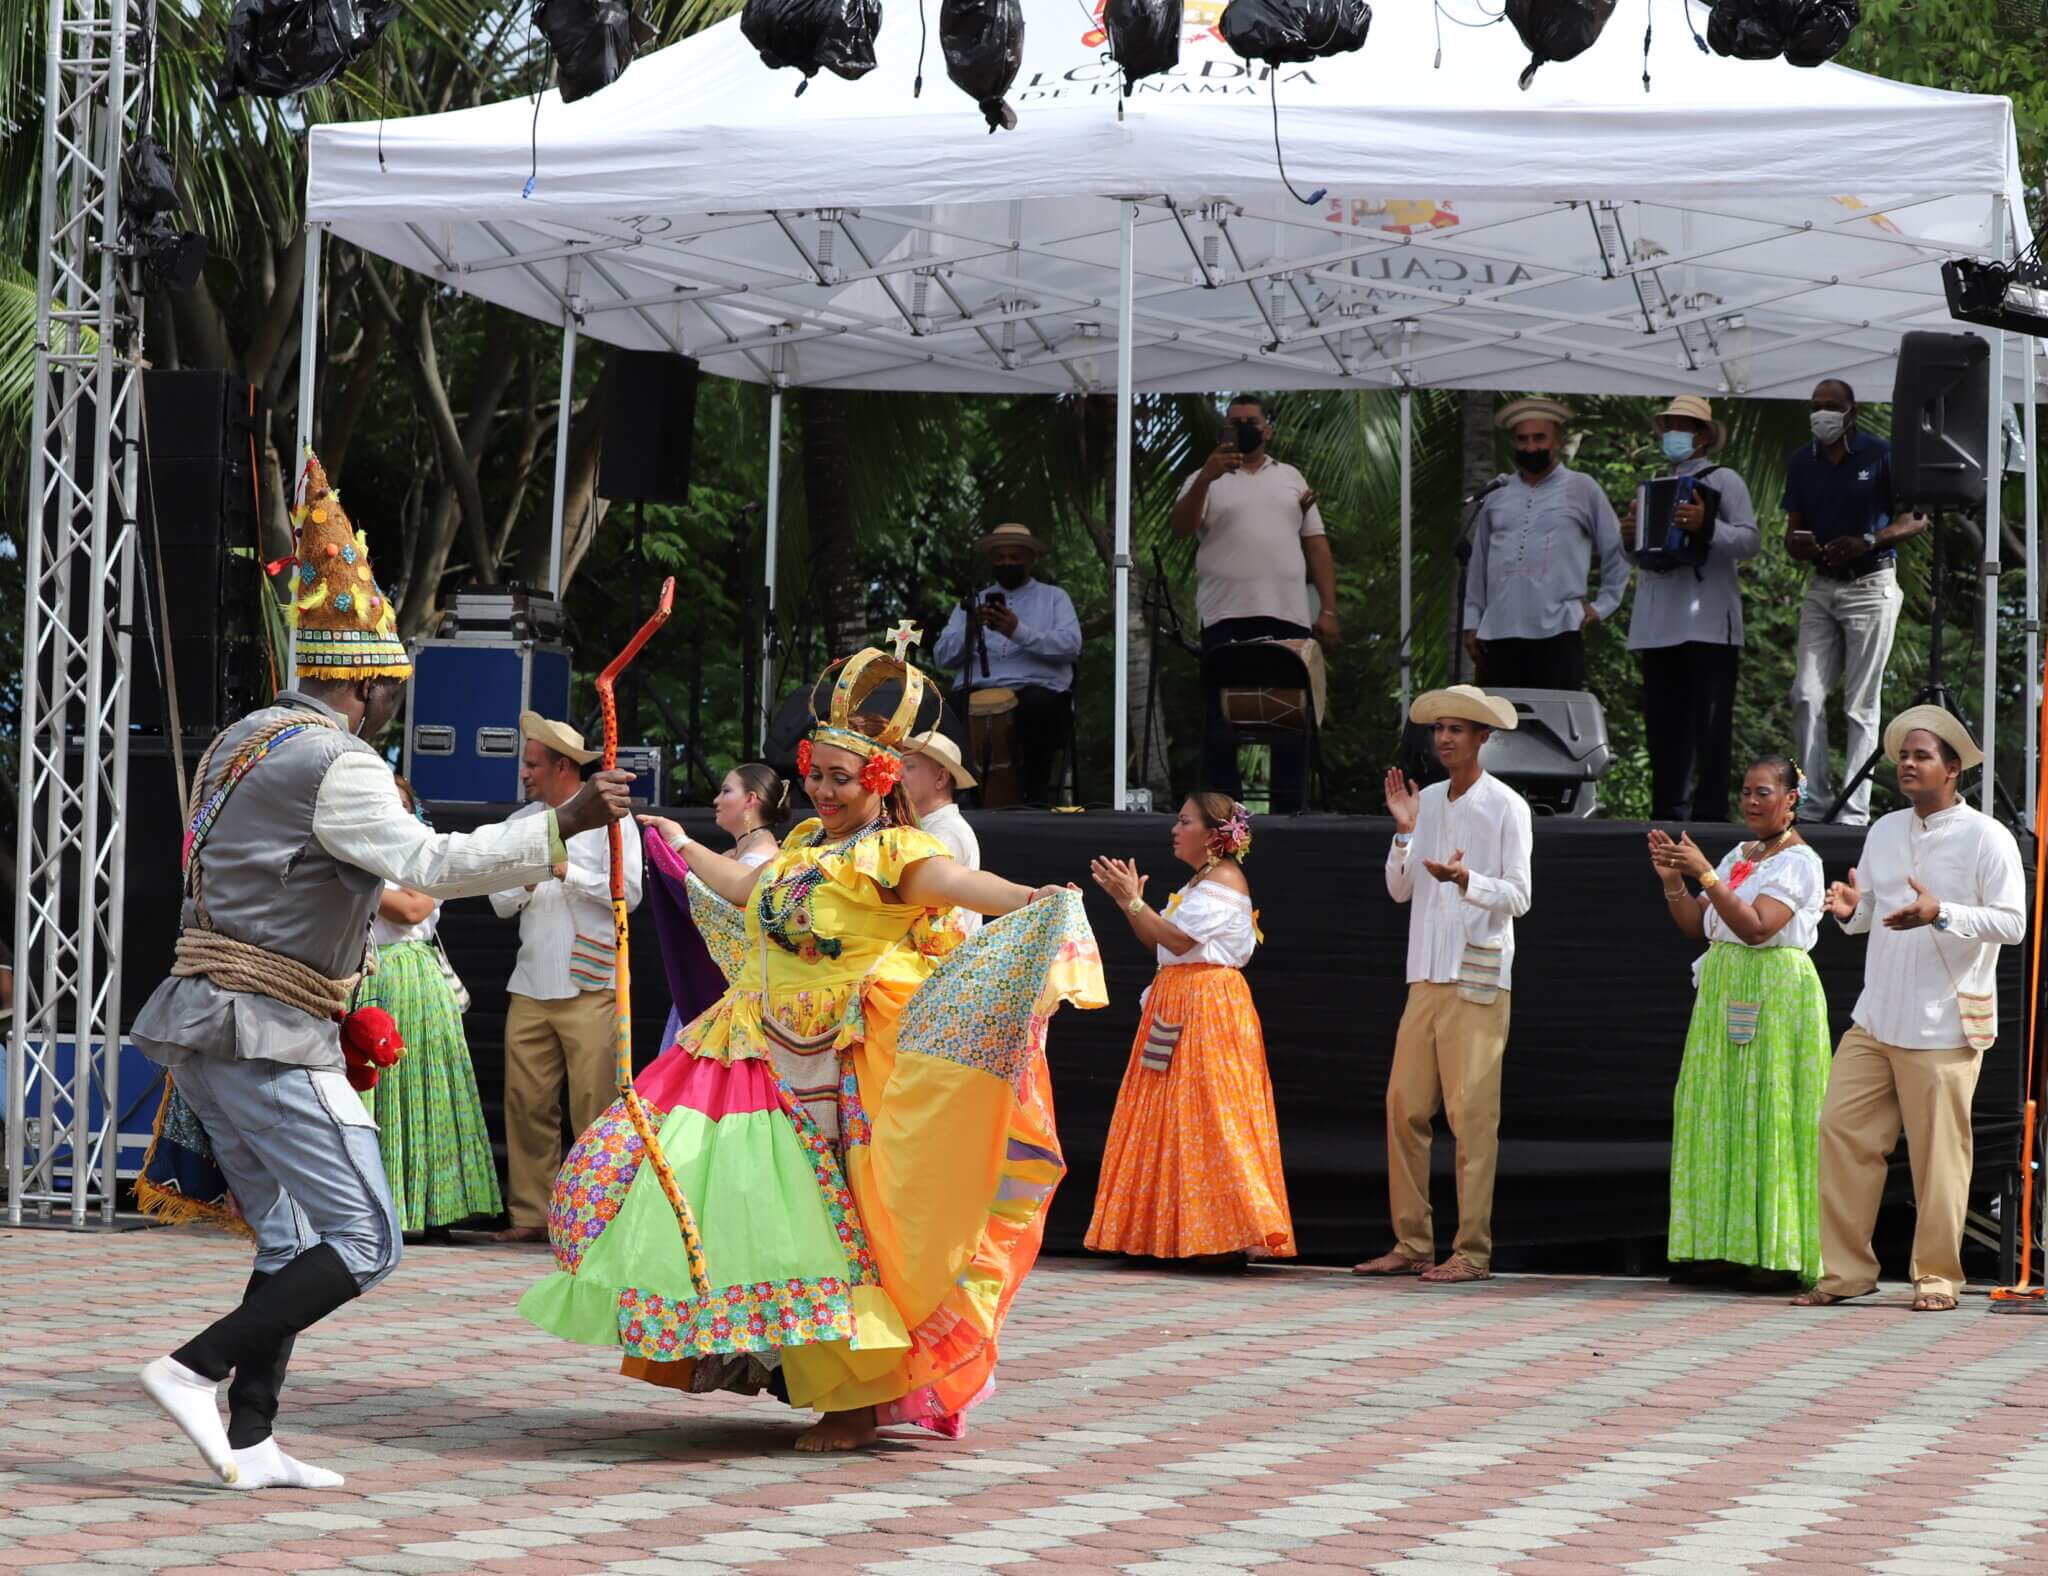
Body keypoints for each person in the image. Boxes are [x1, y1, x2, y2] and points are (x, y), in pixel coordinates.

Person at [129, 453, 632, 1489]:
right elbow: (428, 867)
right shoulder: (334, 757)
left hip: (212, 1022)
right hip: (270, 1026)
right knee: (366, 1239)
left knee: (293, 1235)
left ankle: (252, 1437)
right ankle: (195, 1368)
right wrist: (564, 821)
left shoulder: (242, 738)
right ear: (368, 684)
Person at [518, 647, 1105, 1452]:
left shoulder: (891, 855)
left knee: (841, 1228)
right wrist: (671, 842)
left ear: (881, 781)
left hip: (846, 1063)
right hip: (757, 1048)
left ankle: (857, 1399)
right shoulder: (799, 850)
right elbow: (741, 891)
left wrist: (1030, 899)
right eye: (816, 773)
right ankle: (775, 1358)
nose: (825, 791)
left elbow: (960, 888)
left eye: (841, 777)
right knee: (706, 1188)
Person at [1797, 706, 2025, 1313]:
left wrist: (1942, 911)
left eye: (1921, 755)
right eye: (1903, 755)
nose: (1907, 763)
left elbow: (2014, 923)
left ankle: (1937, 1278)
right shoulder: (1884, 831)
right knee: (1841, 1133)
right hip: (1876, 1017)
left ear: (1953, 769)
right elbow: (1872, 911)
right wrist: (1850, 907)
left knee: (1937, 1156)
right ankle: (1846, 1273)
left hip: (1945, 1020)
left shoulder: (1988, 837)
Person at [1355, 685, 1532, 1285]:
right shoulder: (1426, 800)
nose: (1446, 738)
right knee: (1404, 1107)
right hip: (1426, 974)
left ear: (1484, 737)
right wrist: (1404, 831)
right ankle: (1412, 1241)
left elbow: (1520, 895)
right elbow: (1399, 889)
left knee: (1471, 1115)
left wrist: (1467, 879)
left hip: (1478, 971)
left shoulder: (1507, 805)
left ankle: (1472, 1250)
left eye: (1459, 729)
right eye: (1440, 730)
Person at [1084, 794, 1293, 1267]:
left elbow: (1178, 939)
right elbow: (1158, 941)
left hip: (1207, 1005)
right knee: (1169, 1113)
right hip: (1177, 1001)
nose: (1174, 830)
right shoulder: (1200, 882)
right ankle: (1173, 1233)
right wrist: (1127, 903)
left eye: (1184, 821)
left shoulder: (1224, 879)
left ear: (1213, 832)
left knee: (1210, 1113)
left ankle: (1223, 1235)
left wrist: (1135, 900)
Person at [1648, 757, 1831, 1289]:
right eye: (1746, 792)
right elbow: (1695, 924)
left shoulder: (1800, 862)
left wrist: (1703, 872)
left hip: (1774, 991)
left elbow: (1756, 928)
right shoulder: (1742, 855)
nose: (1752, 802)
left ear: (1791, 799)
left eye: (1764, 793)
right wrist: (1673, 881)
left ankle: (1773, 1252)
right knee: (1720, 1108)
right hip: (1724, 988)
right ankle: (1719, 1245)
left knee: (1767, 1110)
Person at [487, 711, 645, 1245]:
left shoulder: (613, 820)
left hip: (592, 984)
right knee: (526, 1104)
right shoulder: (521, 823)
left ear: (561, 766)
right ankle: (532, 1215)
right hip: (531, 983)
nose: (524, 774)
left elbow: (633, 892)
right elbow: (499, 899)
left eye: (532, 764)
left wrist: (566, 871)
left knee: (594, 1105)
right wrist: (530, 875)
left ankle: (597, 1219)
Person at [1171, 394, 1338, 814]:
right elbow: (1180, 527)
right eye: (1235, 421)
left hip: (1287, 615)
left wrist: (1330, 610)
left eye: (1251, 421)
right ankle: (1226, 814)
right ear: (1225, 428)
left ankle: (1290, 810)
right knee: (1220, 719)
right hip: (1224, 615)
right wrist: (1207, 476)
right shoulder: (1204, 477)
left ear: (1267, 429)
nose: (1243, 427)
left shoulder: (1292, 478)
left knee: (1292, 716)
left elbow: (1316, 546)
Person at [358, 774, 504, 1243]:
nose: (391, 811)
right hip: (362, 978)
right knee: (369, 1096)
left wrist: (354, 879)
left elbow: (414, 909)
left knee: (428, 1090)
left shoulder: (426, 848)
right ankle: (372, 1207)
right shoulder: (358, 847)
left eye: (399, 802)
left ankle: (435, 1208)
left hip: (413, 982)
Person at [1785, 378, 1930, 825]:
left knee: (1859, 704)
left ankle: (1852, 811)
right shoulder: (1801, 461)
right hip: (1822, 586)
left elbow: (1916, 520)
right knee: (1805, 695)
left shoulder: (1880, 453)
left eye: (1831, 406)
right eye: (1815, 406)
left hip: (1871, 585)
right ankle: (1815, 802)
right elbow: (1792, 532)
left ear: (1851, 411)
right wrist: (1803, 545)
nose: (1821, 414)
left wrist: (1867, 539)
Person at [1621, 397, 1762, 822]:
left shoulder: (1726, 480)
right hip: (1658, 626)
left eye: (1682, 427)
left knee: (1710, 731)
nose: (1672, 435)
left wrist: (1706, 526)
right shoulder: (1654, 485)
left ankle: (1711, 818)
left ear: (1703, 436)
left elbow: (1749, 541)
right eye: (1668, 427)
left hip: (1708, 626)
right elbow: (1639, 554)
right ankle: (1666, 817)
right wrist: (1628, 536)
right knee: (1664, 732)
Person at [1464, 397, 1628, 692]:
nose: (1530, 447)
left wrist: (1602, 606)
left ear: (1557, 441)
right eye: (1522, 439)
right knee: (1498, 732)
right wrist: (1472, 622)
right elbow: (1479, 565)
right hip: (1498, 632)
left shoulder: (1583, 487)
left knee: (1554, 731)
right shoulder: (1497, 493)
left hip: (1559, 632)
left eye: (1539, 438)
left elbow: (1617, 549)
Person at [932, 523, 1082, 805]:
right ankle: (965, 800)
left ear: (1030, 559)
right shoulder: (972, 603)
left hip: (1036, 691)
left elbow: (1071, 645)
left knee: (1038, 707)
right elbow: (942, 657)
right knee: (946, 707)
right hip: (978, 690)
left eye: (1014, 557)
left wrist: (1017, 630)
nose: (1007, 563)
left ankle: (1033, 801)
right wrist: (972, 628)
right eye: (1000, 557)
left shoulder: (1054, 598)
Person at [901, 730, 982, 937]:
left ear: (941, 777)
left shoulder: (946, 832)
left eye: (910, 767)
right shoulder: (931, 827)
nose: (899, 775)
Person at [714, 761, 791, 869]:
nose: (716, 800)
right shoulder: (735, 853)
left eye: (726, 791)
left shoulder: (758, 859)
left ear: (750, 799)